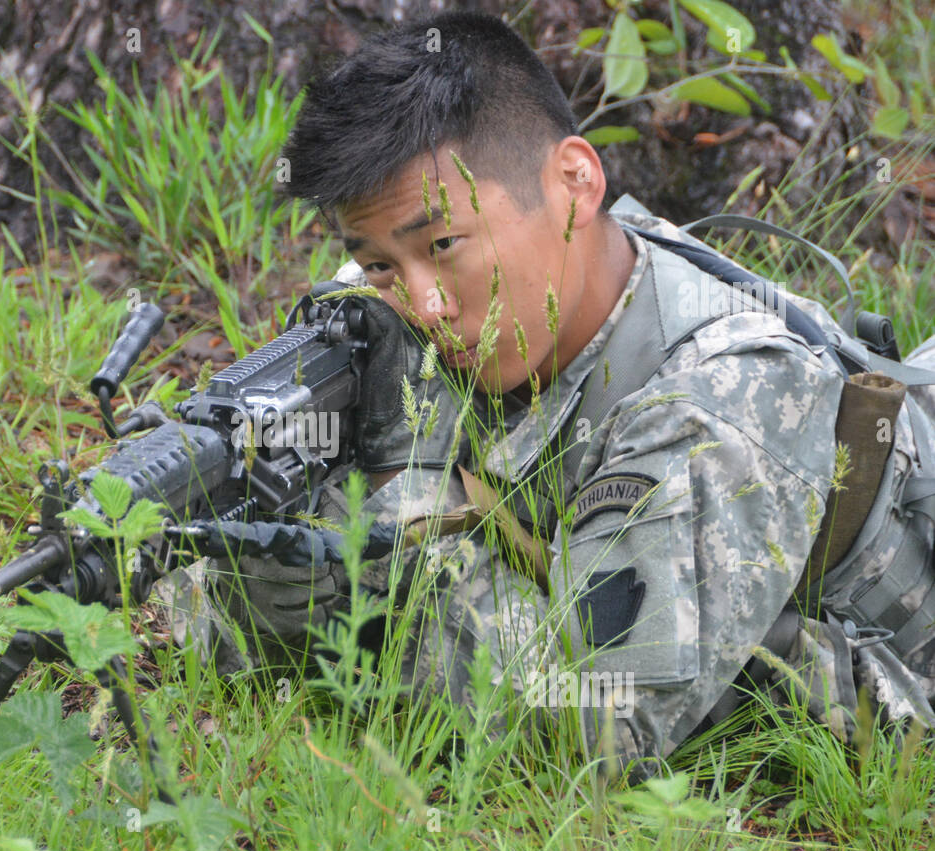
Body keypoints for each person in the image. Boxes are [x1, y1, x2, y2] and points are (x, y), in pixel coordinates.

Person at [170, 11, 935, 779]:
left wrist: (373, 540)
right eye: (378, 264)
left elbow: (605, 728)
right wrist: (266, 537)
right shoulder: (406, 316)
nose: (425, 306)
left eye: (442, 246)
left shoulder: (719, 395)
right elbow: (206, 621)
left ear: (574, 182)